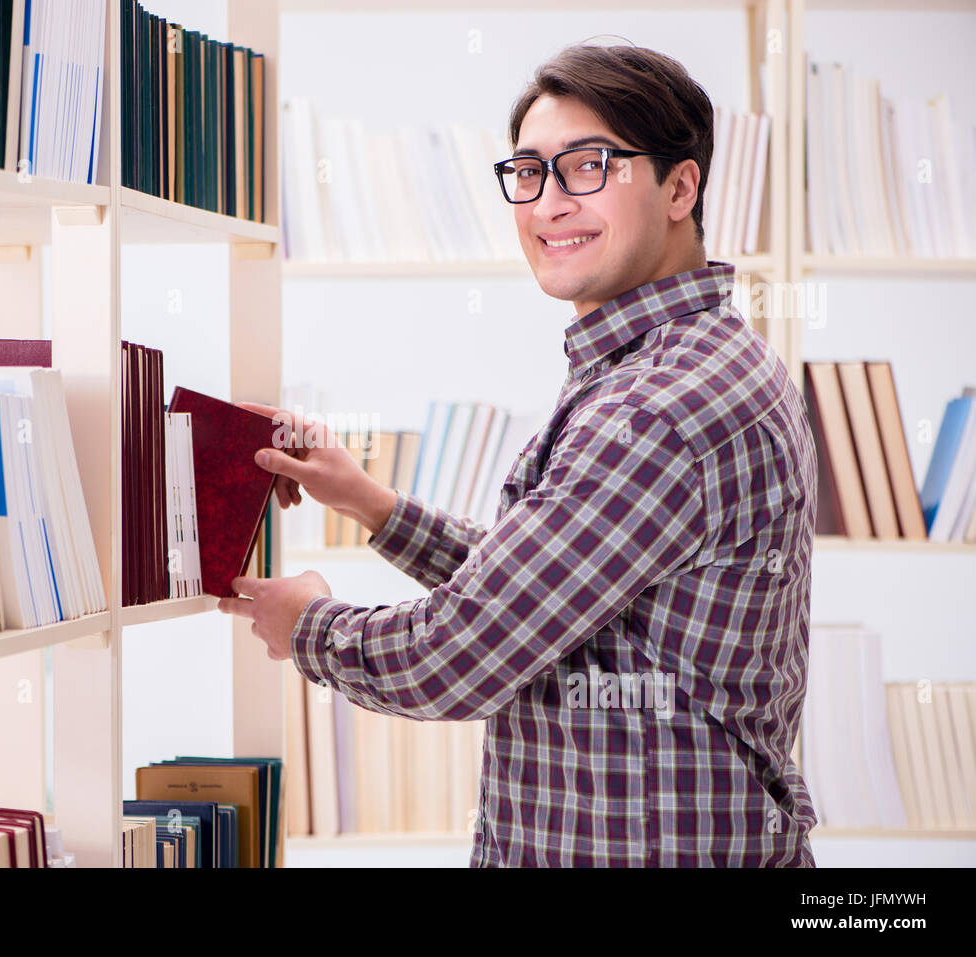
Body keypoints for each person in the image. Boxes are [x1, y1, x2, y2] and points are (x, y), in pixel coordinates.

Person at [218, 42, 818, 867]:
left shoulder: (661, 407)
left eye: (587, 166)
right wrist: (373, 506)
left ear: (682, 186)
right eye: (529, 172)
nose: (548, 203)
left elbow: (458, 656)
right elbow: (557, 593)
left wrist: (308, 627)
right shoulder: (672, 361)